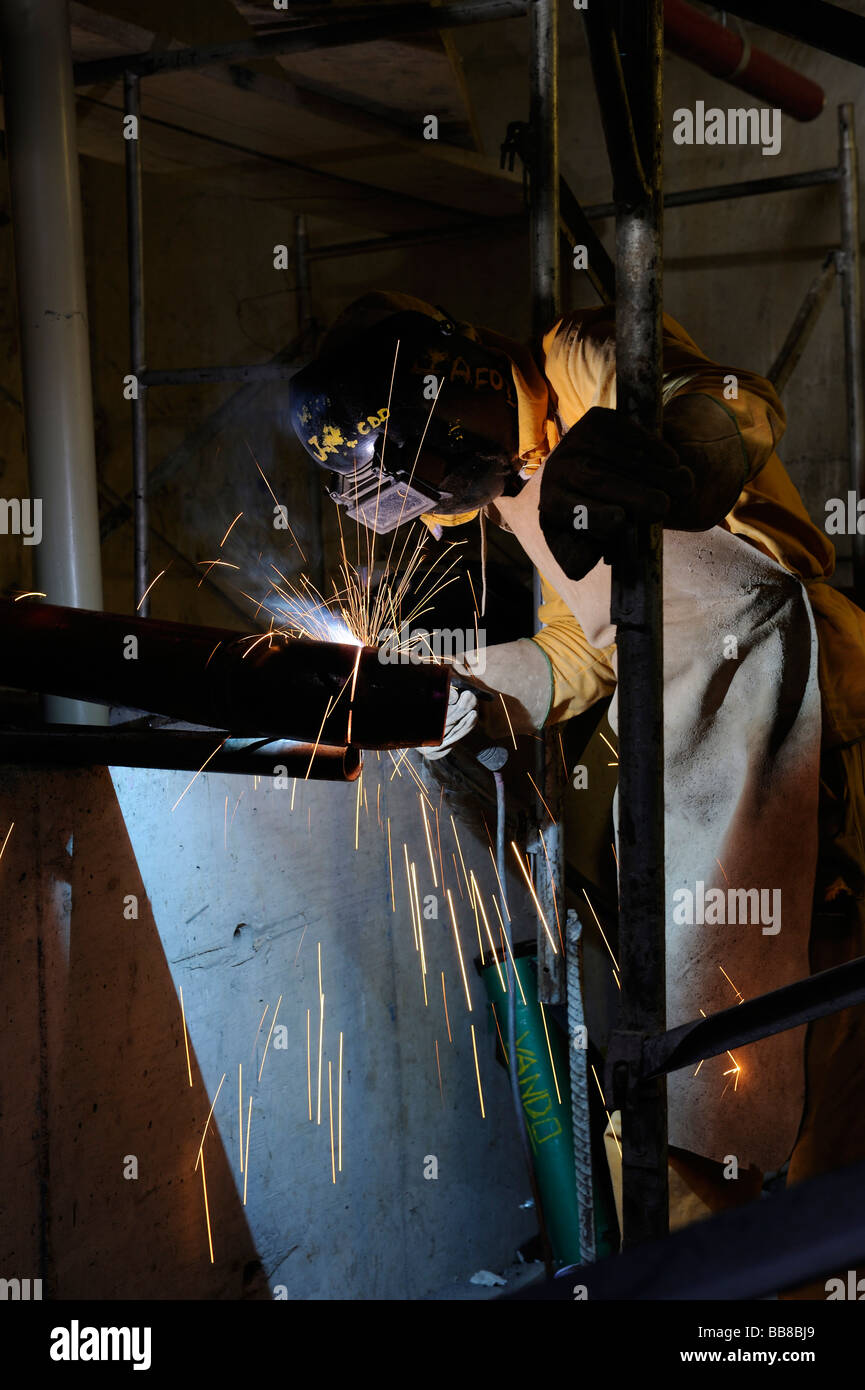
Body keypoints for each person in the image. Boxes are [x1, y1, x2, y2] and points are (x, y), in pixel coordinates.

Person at [290, 290, 865, 1280]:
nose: (447, 521)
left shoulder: (583, 354)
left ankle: (805, 1270)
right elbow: (584, 652)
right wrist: (458, 687)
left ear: (454, 403)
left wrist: (674, 454)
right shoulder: (507, 486)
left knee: (814, 1028)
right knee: (704, 1059)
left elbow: (736, 402)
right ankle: (734, 1275)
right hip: (694, 750)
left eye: (437, 490)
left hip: (804, 706)